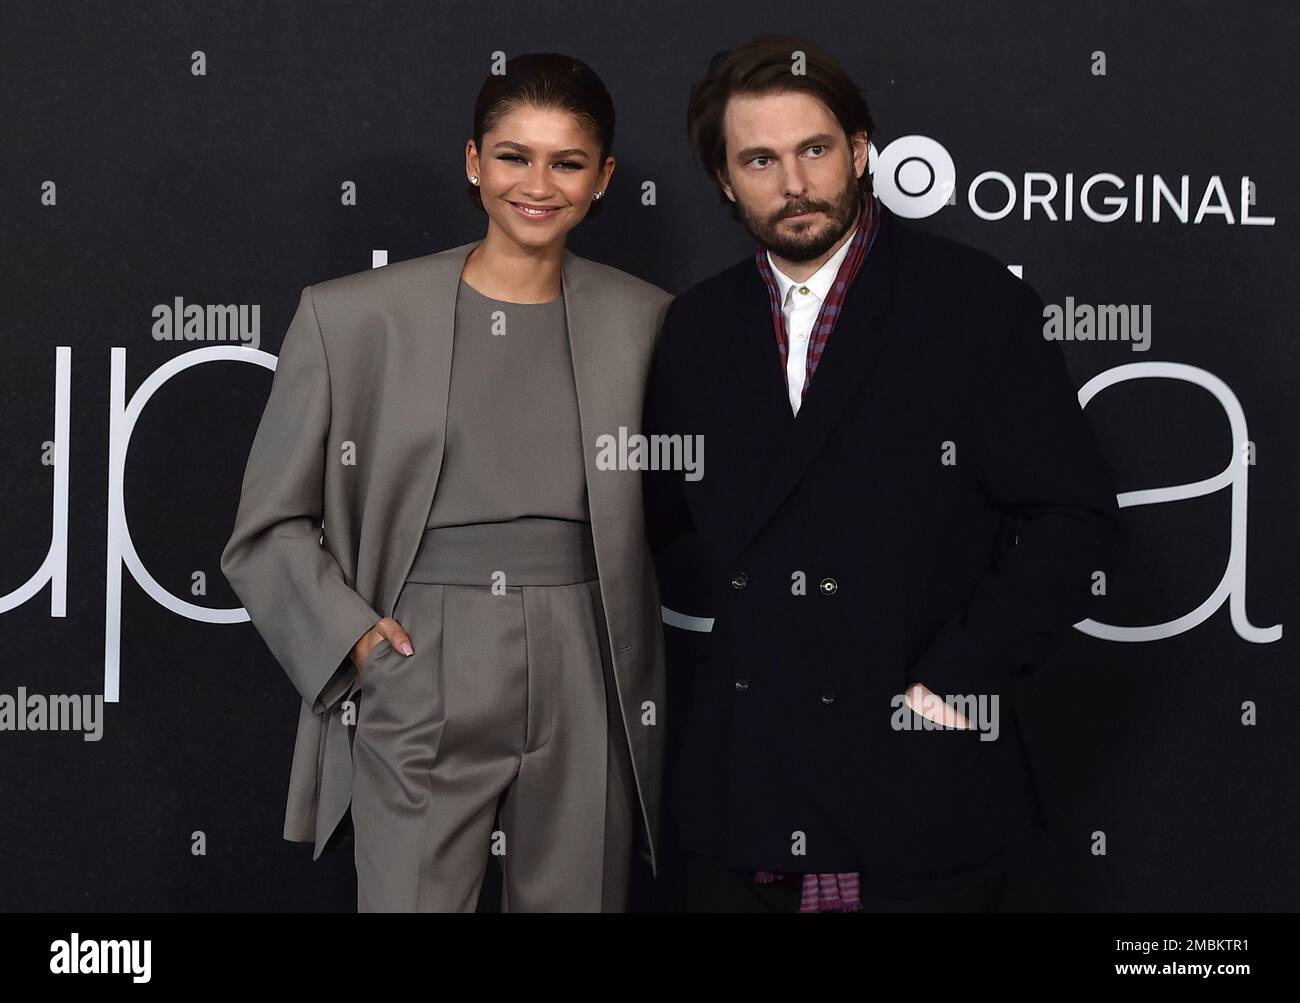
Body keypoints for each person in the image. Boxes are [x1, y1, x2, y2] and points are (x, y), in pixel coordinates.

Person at [642, 34, 1126, 912]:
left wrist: (958, 677)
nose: (793, 183)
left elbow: (1075, 521)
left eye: (815, 150)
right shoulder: (697, 327)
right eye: (758, 159)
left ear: (861, 151)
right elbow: (664, 529)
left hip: (921, 781)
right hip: (744, 790)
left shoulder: (973, 303)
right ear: (723, 178)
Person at [220, 52, 672, 912]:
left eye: (567, 162)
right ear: (474, 162)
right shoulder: (352, 317)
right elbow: (267, 525)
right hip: (420, 648)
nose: (537, 184)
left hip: (591, 648)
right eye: (513, 156)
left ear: (603, 178)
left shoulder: (650, 319)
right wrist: (356, 642)